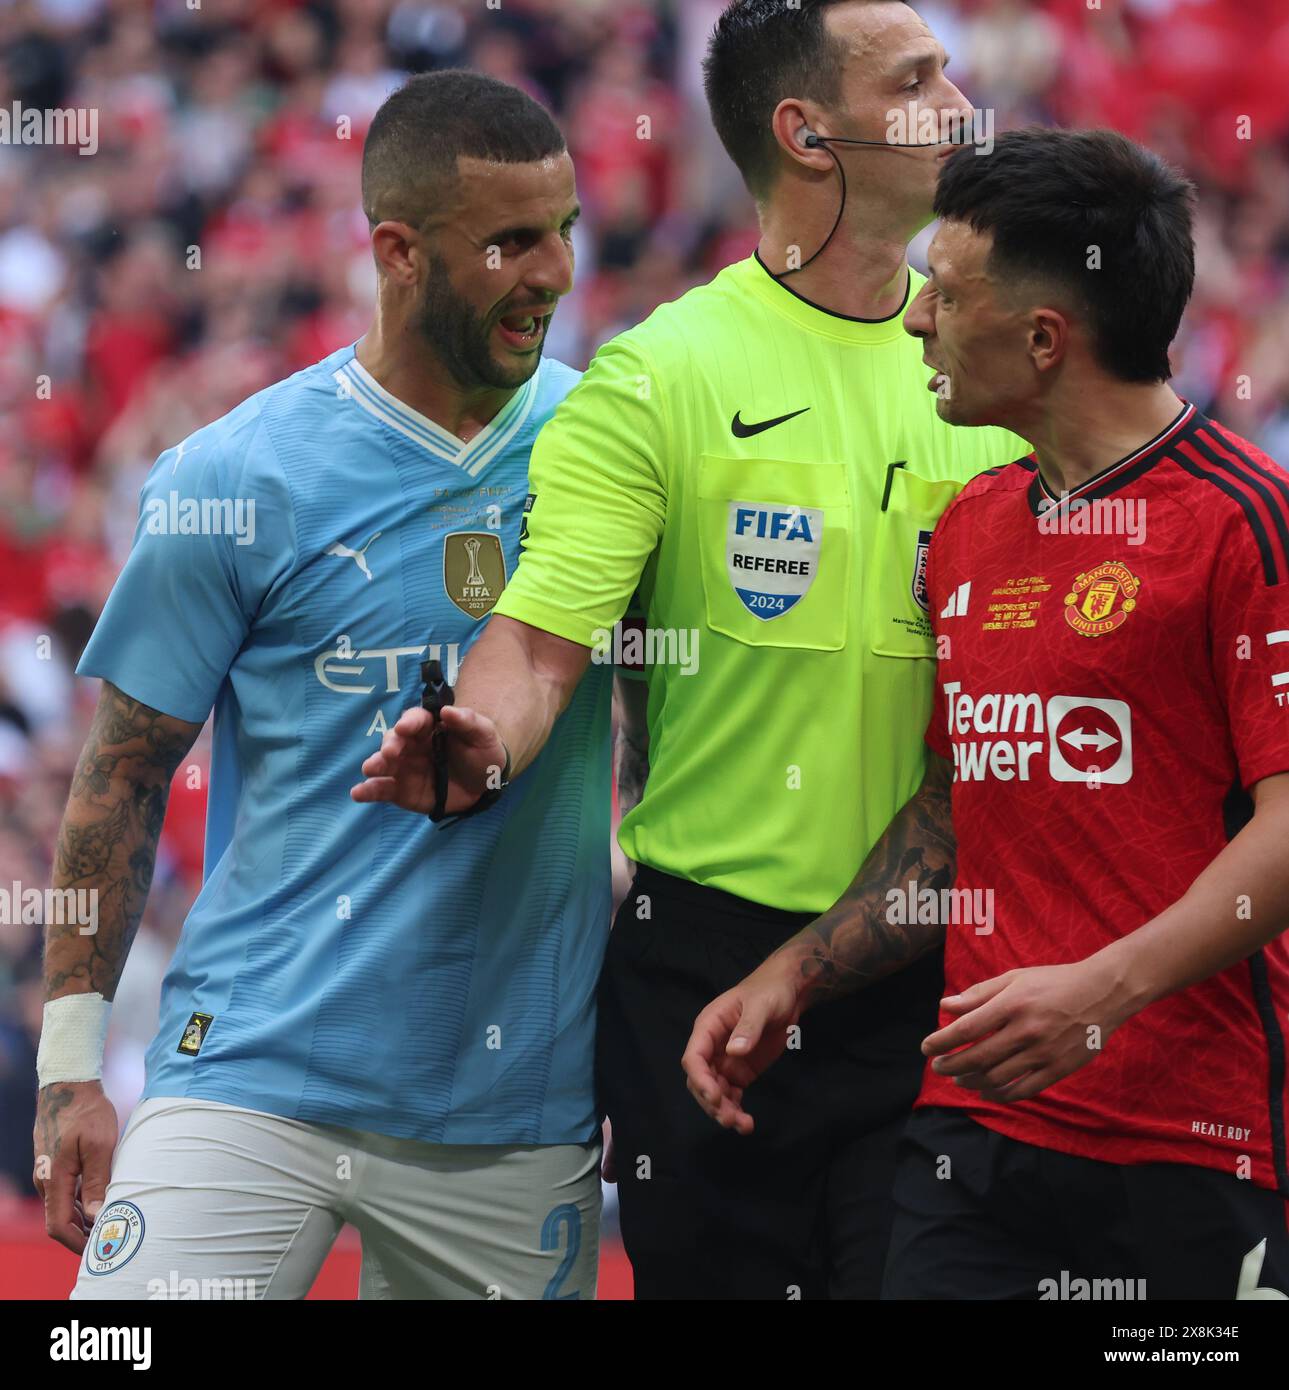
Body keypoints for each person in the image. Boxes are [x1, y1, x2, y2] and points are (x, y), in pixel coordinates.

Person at [353, 0, 1026, 1300]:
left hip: (941, 967)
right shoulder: (660, 377)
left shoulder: (1002, 369)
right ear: (806, 134)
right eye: (917, 79)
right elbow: (539, 647)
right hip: (704, 974)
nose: (960, 102)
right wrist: (479, 743)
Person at [683, 126, 1289, 1300]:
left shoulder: (1241, 524)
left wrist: (1098, 996)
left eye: (946, 294)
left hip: (1197, 1143)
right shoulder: (966, 528)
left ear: (1044, 338)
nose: (915, 319)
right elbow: (957, 811)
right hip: (977, 1134)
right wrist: (793, 976)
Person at [35, 71, 612, 1301]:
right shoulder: (231, 474)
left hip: (513, 1109)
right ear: (396, 250)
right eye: (509, 241)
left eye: (563, 231)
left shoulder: (611, 447)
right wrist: (72, 1067)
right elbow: (123, 771)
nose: (551, 272)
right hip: (249, 1074)